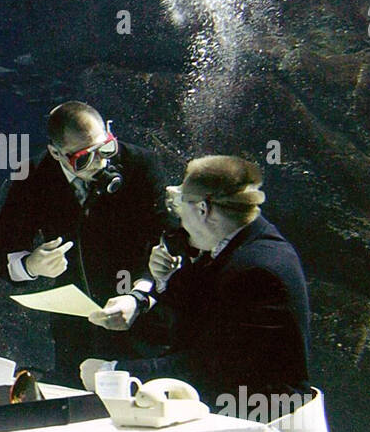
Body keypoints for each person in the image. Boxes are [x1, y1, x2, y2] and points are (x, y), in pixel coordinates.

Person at [82, 155, 313, 411]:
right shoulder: (244, 247)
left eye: (183, 208)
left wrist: (113, 373)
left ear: (203, 209)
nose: (180, 221)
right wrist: (162, 281)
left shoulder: (256, 272)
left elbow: (211, 368)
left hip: (257, 426)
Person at [0, 101, 173, 383]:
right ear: (55, 153)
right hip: (76, 333)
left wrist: (139, 297)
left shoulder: (141, 163)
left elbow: (168, 239)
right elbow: (0, 253)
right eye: (84, 158)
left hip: (142, 324)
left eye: (107, 148)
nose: (101, 163)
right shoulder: (32, 176)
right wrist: (31, 265)